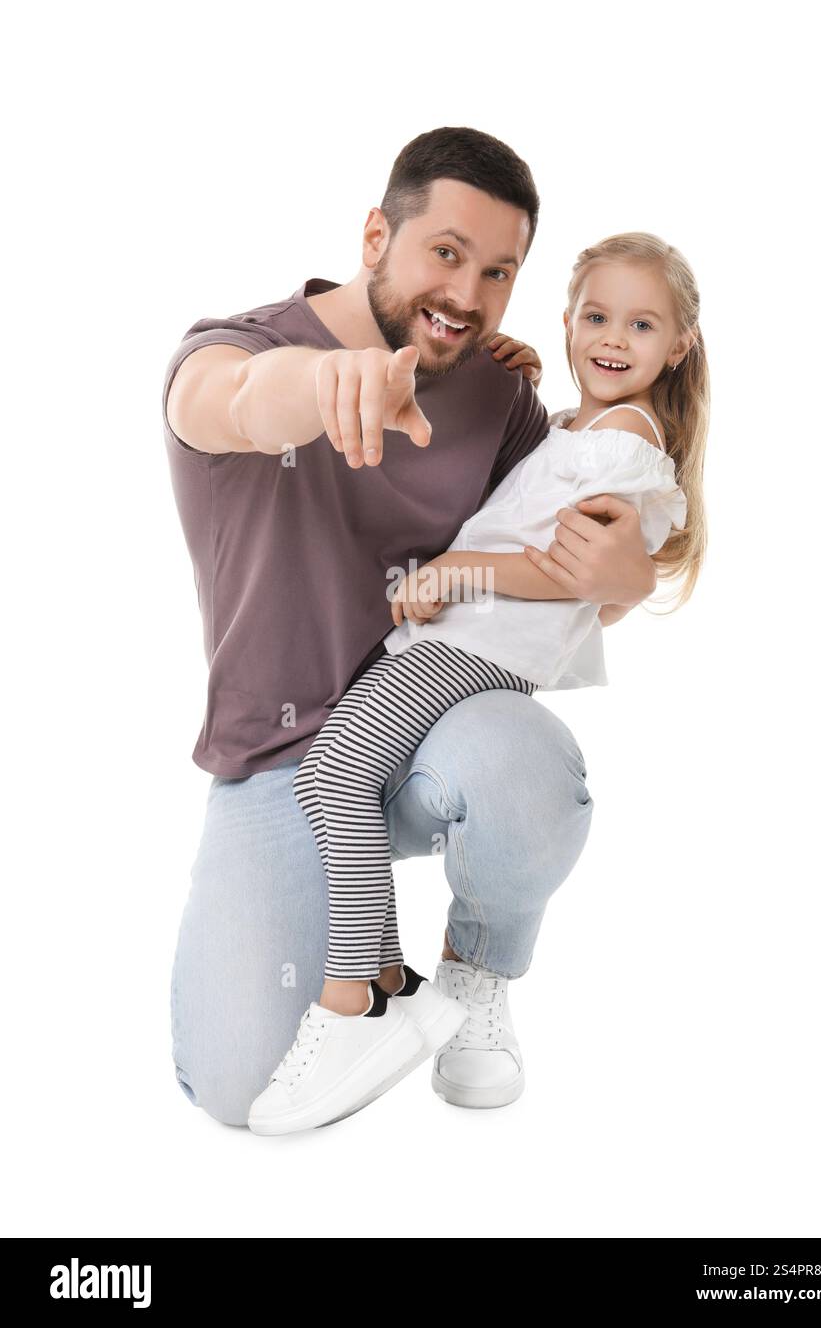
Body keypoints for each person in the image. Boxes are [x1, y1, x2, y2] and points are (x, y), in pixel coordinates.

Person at [164, 128, 659, 1129]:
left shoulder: (500, 390)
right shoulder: (245, 348)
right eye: (444, 254)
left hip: (434, 716)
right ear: (375, 233)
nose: (468, 296)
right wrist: (321, 384)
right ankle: (377, 975)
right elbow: (230, 402)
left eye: (497, 272)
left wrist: (628, 581)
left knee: (524, 773)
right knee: (233, 1084)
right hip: (279, 753)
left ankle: (470, 981)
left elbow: (560, 556)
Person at [247, 232, 707, 1134]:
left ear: (678, 345)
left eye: (641, 324)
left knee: (334, 776)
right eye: (595, 315)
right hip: (468, 643)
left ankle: (352, 1006)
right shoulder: (584, 427)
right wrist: (524, 376)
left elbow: (567, 570)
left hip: (478, 647)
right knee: (338, 777)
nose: (612, 338)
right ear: (568, 320)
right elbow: (532, 504)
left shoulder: (623, 441)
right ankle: (386, 981)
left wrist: (456, 567)